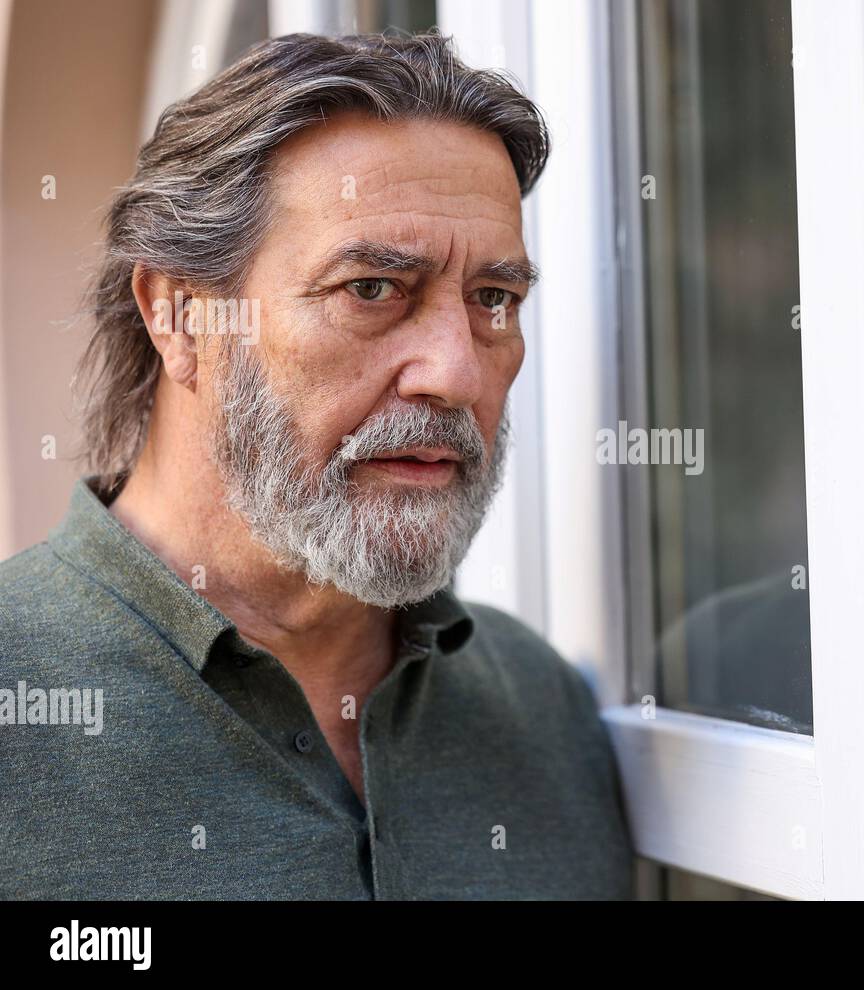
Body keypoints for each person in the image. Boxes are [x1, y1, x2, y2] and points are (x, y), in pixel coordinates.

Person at [0, 31, 634, 899]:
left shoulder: (544, 710)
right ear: (180, 318)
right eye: (372, 289)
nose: (454, 372)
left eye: (494, 299)